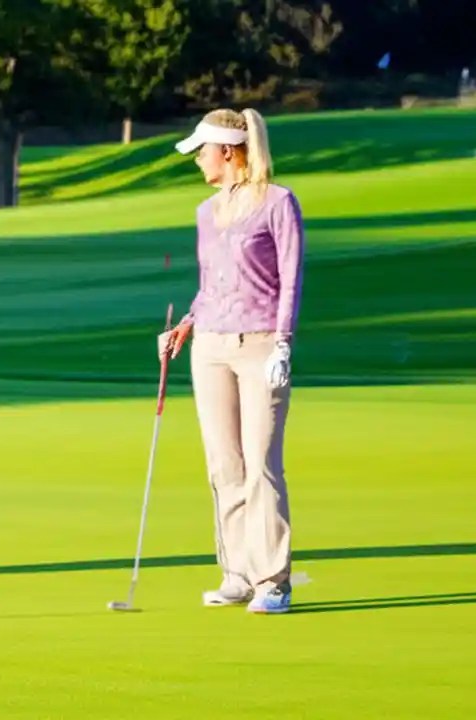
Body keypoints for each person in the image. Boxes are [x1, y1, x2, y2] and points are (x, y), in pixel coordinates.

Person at [159, 108, 305, 614]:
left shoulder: (278, 203)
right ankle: (238, 572)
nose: (199, 160)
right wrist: (185, 325)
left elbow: (290, 278)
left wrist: (284, 342)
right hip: (212, 348)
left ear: (228, 151)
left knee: (262, 464)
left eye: (203, 151)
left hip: (263, 343)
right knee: (225, 464)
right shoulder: (206, 211)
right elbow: (210, 286)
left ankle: (273, 581)